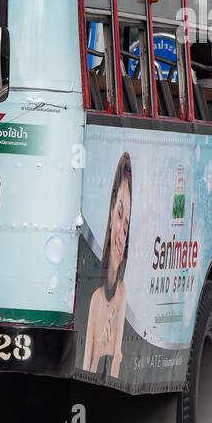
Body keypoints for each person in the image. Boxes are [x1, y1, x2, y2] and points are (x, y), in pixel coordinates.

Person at [82, 153, 132, 378]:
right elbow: (88, 357)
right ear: (111, 214)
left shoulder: (121, 292)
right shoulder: (95, 298)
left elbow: (118, 354)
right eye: (119, 215)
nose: (121, 232)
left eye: (127, 223)